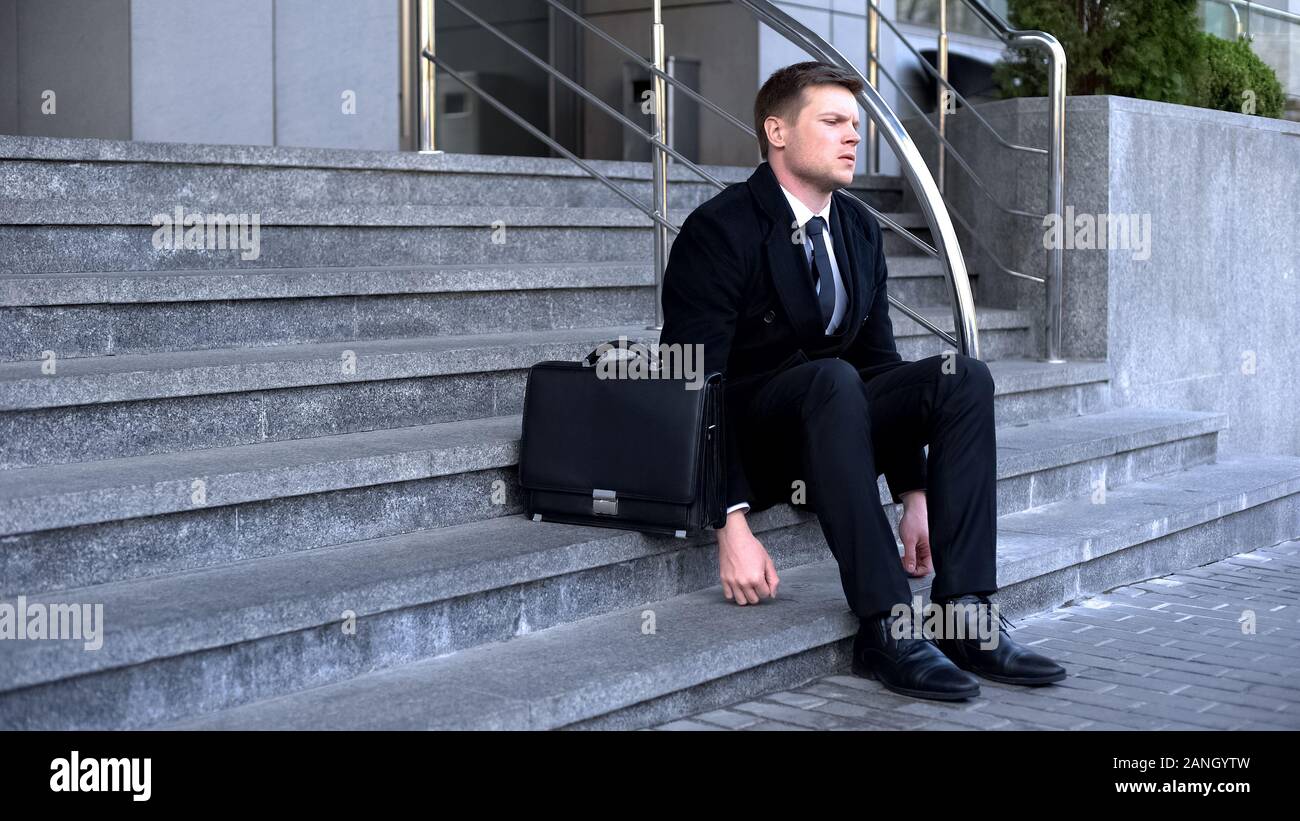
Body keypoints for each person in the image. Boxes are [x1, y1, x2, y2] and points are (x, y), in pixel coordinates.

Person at [657, 61, 1065, 701]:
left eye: (856, 123)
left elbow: (878, 366)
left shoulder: (857, 227)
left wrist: (914, 494)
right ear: (777, 132)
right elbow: (692, 381)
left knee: (963, 379)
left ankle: (965, 616)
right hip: (759, 442)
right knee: (831, 380)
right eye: (833, 121)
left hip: (836, 421)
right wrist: (728, 521)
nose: (854, 136)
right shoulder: (719, 230)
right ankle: (886, 626)